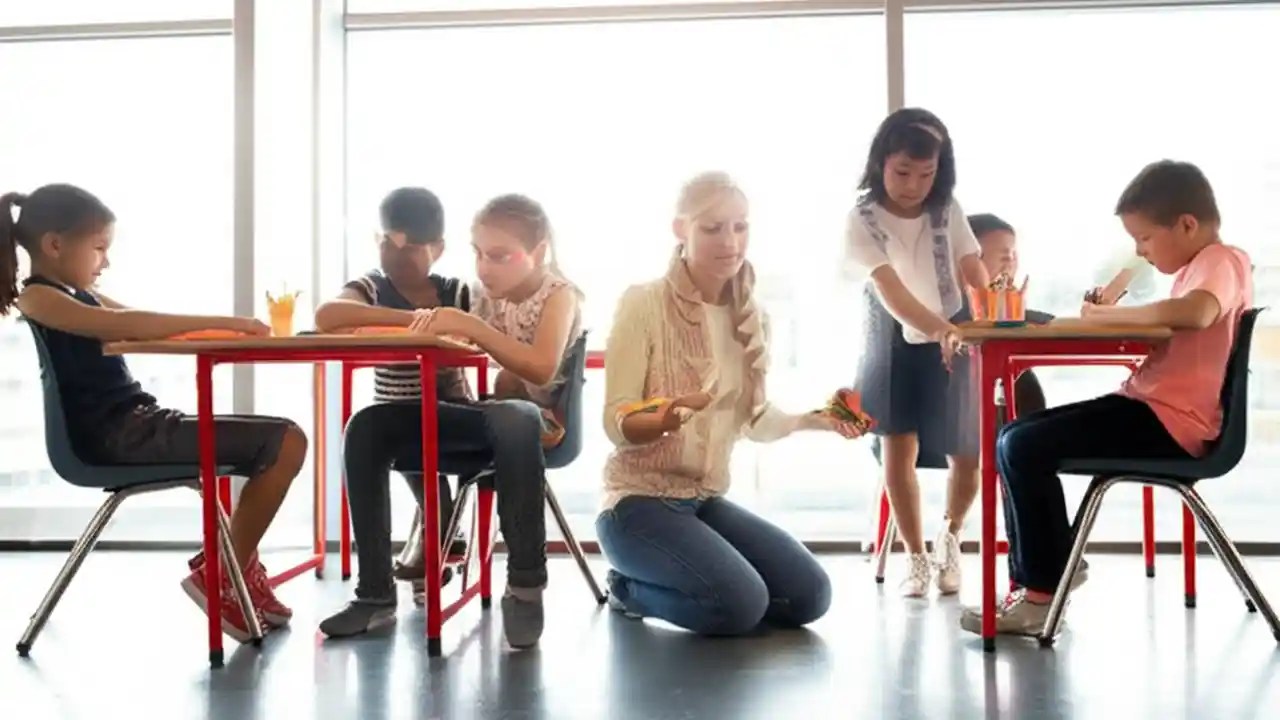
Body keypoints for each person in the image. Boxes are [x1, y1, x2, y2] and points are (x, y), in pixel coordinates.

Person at [0, 184, 306, 643]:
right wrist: (230, 324)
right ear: (55, 245)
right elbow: (128, 325)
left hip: (135, 425)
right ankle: (222, 577)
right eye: (99, 248)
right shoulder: (39, 298)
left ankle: (233, 568)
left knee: (273, 442)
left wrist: (221, 326)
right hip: (113, 438)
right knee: (286, 441)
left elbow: (144, 317)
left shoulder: (76, 292)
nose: (105, 262)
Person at [961, 160, 1252, 636]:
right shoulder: (1199, 268)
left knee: (1020, 445)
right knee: (1014, 436)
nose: (1140, 250)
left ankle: (1040, 592)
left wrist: (1102, 320)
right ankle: (1053, 569)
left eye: (1145, 239)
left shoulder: (1222, 260)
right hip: (1154, 411)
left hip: (1170, 423)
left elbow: (1198, 314)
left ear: (1186, 224)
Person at [596, 172, 863, 636]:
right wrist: (659, 419)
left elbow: (753, 422)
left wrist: (813, 420)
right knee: (740, 604)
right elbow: (614, 419)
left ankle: (714, 586)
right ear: (682, 230)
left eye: (740, 226)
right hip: (635, 505)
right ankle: (626, 589)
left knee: (810, 595)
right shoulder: (644, 303)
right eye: (713, 228)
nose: (730, 241)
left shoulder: (752, 316)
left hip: (702, 500)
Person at [321, 193, 582, 651]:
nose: (484, 267)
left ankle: (525, 584)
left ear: (538, 253)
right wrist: (429, 321)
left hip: (538, 425)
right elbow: (333, 317)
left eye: (499, 256)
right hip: (488, 416)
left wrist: (471, 327)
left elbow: (540, 369)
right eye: (478, 253)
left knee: (518, 415)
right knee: (366, 426)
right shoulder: (477, 294)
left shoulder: (559, 295)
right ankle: (375, 594)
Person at [845, 108, 990, 599]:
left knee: (965, 447)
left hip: (956, 326)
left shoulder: (948, 208)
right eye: (903, 172)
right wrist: (940, 329)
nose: (913, 185)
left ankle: (949, 536)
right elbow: (891, 292)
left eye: (926, 174)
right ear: (882, 162)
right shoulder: (861, 218)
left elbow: (972, 264)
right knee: (898, 446)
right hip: (892, 333)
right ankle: (915, 557)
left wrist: (987, 294)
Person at [313, 187, 471, 591]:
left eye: (412, 247)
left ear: (438, 248)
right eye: (388, 243)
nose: (397, 255)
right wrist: (413, 320)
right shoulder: (372, 286)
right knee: (390, 428)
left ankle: (437, 526)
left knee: (426, 424)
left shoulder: (456, 292)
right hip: (395, 415)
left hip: (450, 408)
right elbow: (328, 315)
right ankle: (438, 526)